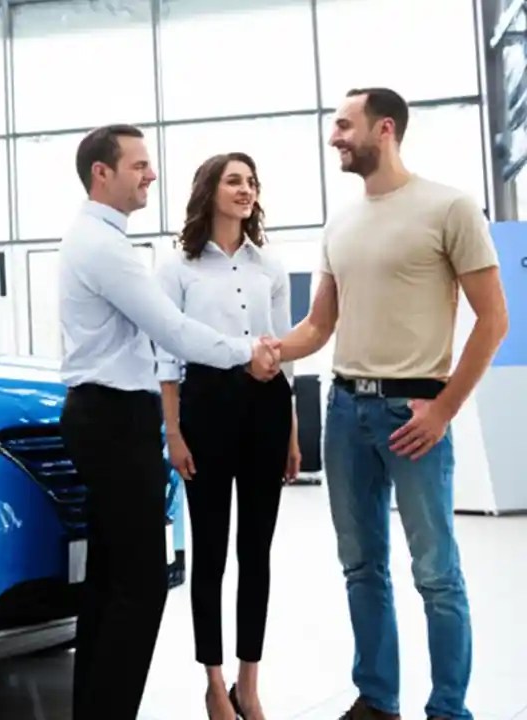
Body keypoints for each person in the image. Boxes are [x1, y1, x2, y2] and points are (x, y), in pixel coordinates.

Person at [277, 88, 509, 720]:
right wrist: (266, 348)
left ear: (385, 129)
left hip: (415, 415)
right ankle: (377, 699)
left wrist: (444, 411)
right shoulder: (339, 223)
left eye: (345, 126)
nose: (334, 137)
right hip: (345, 410)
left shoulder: (449, 207)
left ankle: (449, 710)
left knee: (435, 572)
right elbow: (318, 327)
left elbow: (494, 320)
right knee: (361, 568)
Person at [57, 124, 283, 720]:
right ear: (101, 173)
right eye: (138, 165)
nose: (150, 175)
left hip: (113, 415)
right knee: (140, 585)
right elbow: (174, 334)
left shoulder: (100, 240)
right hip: (115, 418)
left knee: (109, 580)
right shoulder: (106, 248)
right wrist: (246, 352)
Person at [154, 152, 299, 720]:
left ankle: (249, 681)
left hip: (266, 409)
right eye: (234, 180)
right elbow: (166, 355)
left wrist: (290, 435)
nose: (246, 189)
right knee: (210, 553)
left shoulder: (271, 266)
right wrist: (173, 432)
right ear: (210, 190)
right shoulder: (179, 267)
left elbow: (283, 355)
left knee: (256, 552)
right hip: (206, 408)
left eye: (251, 181)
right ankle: (213, 683)